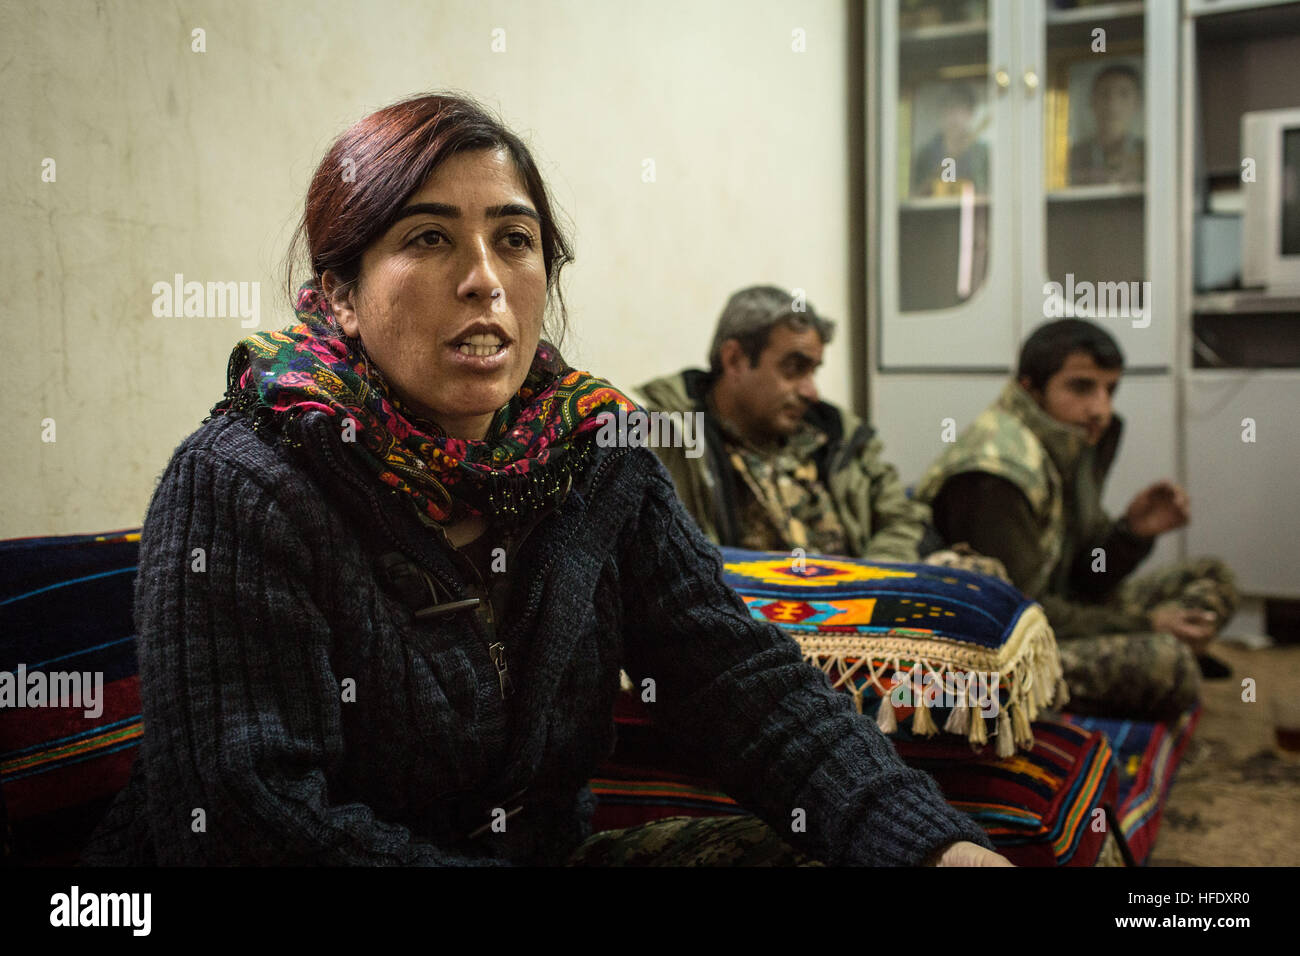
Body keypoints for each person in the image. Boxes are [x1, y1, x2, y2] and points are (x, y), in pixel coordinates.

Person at [81, 93, 1005, 867]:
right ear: (338, 296)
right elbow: (251, 822)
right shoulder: (245, 483)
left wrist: (934, 847)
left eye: (513, 240)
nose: (485, 280)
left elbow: (735, 676)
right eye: (429, 239)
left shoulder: (595, 460)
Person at [915, 319, 1237, 721]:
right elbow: (1020, 613)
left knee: (1212, 575)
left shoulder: (1071, 436)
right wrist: (1145, 624)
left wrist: (1131, 534)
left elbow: (1086, 573)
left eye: (1110, 389)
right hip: (999, 644)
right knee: (1166, 664)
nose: (1101, 409)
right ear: (1030, 387)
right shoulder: (996, 472)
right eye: (1082, 387)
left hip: (1059, 607)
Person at [636, 286, 931, 562]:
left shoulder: (835, 434)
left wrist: (871, 582)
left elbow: (903, 518)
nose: (811, 391)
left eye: (812, 372)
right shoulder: (670, 441)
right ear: (735, 359)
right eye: (794, 368)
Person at [1068, 64, 1145, 187]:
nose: (1112, 104)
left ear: (1137, 103)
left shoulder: (1147, 154)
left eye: (1123, 94)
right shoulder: (1072, 157)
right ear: (1092, 100)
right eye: (1105, 93)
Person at [911, 81, 989, 197]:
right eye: (950, 108)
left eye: (961, 109)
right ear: (942, 111)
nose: (955, 116)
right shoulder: (926, 154)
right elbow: (915, 195)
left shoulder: (983, 154)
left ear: (970, 113)